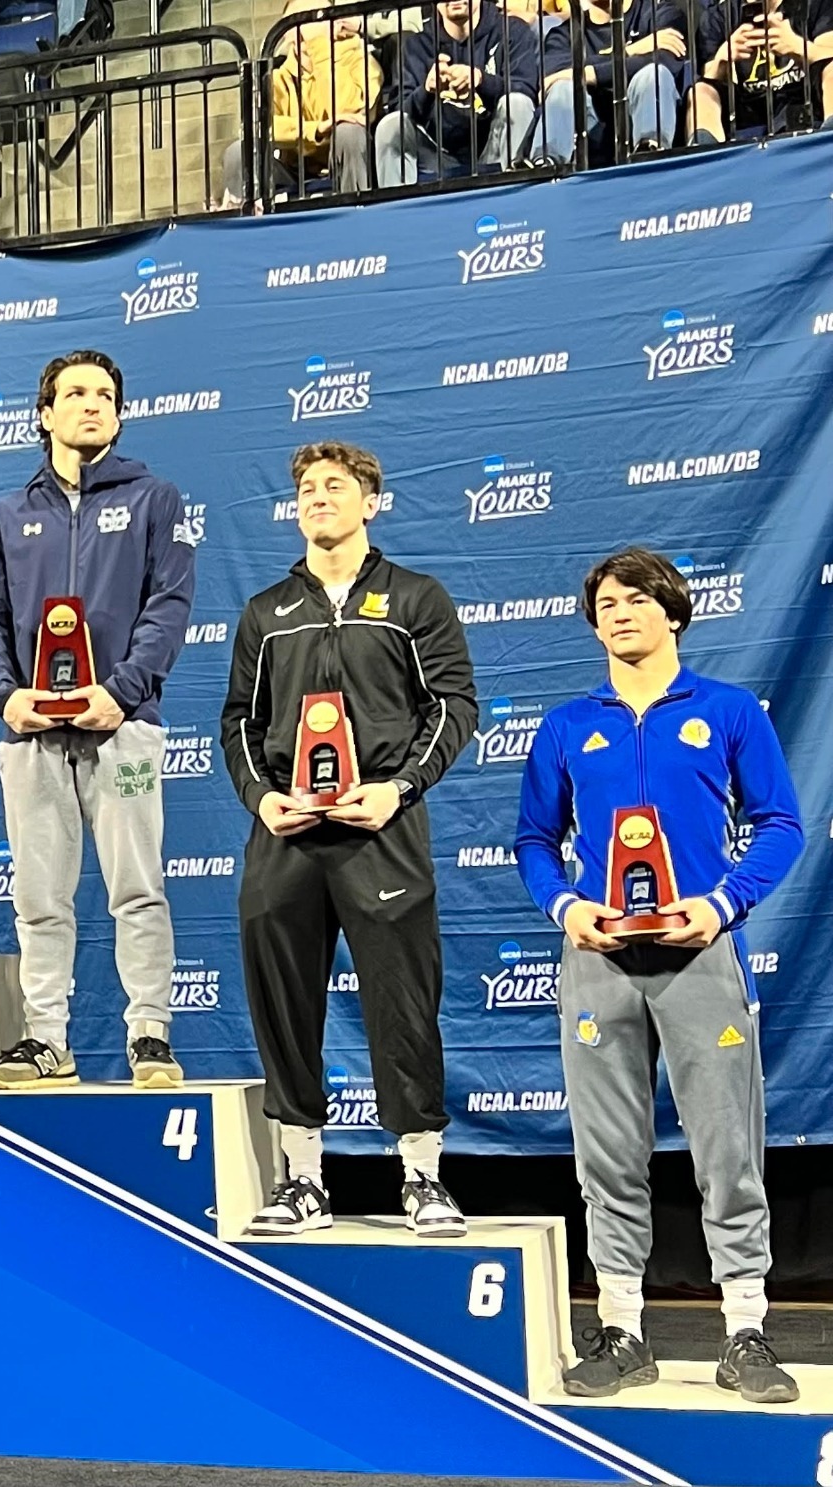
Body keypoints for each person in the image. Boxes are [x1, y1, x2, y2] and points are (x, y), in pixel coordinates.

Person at [516, 548, 804, 1405]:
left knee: (727, 1150)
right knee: (607, 1156)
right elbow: (535, 839)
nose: (620, 612)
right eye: (605, 602)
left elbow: (781, 822)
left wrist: (723, 903)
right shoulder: (569, 725)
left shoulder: (726, 711)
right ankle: (622, 1330)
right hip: (598, 959)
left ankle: (746, 1330)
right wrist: (566, 908)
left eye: (638, 598)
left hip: (701, 955)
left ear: (675, 613)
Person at [221, 441, 477, 1239]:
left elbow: (453, 705)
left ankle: (423, 1176)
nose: (317, 497)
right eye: (305, 488)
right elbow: (238, 722)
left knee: (401, 1002)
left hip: (382, 831)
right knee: (283, 1003)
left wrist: (397, 788)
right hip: (287, 836)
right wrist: (262, 799)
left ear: (373, 501)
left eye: (335, 486)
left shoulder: (414, 598)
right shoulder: (267, 611)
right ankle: (302, 1177)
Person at [0, 351, 197, 1091]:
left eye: (105, 394)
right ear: (45, 413)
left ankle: (150, 1035)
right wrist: (5, 697)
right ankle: (47, 1039)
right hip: (31, 734)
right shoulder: (6, 516)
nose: (90, 404)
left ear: (121, 414)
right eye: (74, 393)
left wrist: (123, 690)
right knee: (38, 896)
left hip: (122, 726)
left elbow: (169, 606)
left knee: (137, 886)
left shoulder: (156, 499)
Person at [223, 0, 377, 202]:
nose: (303, 31)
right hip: (295, 169)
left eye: (312, 21)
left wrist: (322, 51)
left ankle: (356, 215)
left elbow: (350, 111)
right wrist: (315, 129)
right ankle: (248, 225)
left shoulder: (360, 61)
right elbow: (258, 127)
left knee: (348, 131)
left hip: (348, 161)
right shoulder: (278, 78)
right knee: (238, 152)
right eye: (294, 24)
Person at [374, 0, 541, 186]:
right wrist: (427, 91)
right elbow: (399, 108)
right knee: (390, 125)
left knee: (517, 103)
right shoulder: (416, 46)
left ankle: (513, 195)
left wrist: (480, 80)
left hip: (494, 147)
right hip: (436, 155)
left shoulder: (512, 31)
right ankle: (401, 212)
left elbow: (525, 89)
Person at [529, 0, 688, 162]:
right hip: (590, 125)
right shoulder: (564, 34)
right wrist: (630, 51)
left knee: (653, 73)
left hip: (637, 113)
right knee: (561, 88)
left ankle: (650, 150)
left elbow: (666, 58)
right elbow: (552, 78)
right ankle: (547, 163)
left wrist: (588, 73)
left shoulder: (659, 12)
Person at [690, 0, 833, 142]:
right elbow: (708, 77)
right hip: (747, 108)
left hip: (805, 98)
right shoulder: (718, 17)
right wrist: (722, 60)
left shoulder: (816, 4)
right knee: (700, 91)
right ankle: (707, 154)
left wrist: (798, 47)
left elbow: (829, 53)